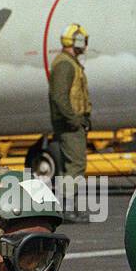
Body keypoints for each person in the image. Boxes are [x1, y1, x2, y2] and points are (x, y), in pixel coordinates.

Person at [48, 23, 91, 182]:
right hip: (69, 125)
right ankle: (68, 205)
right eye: (83, 40)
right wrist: (74, 120)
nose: (85, 44)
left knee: (72, 167)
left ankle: (67, 203)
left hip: (72, 123)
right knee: (76, 166)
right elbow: (59, 97)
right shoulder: (65, 64)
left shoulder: (69, 62)